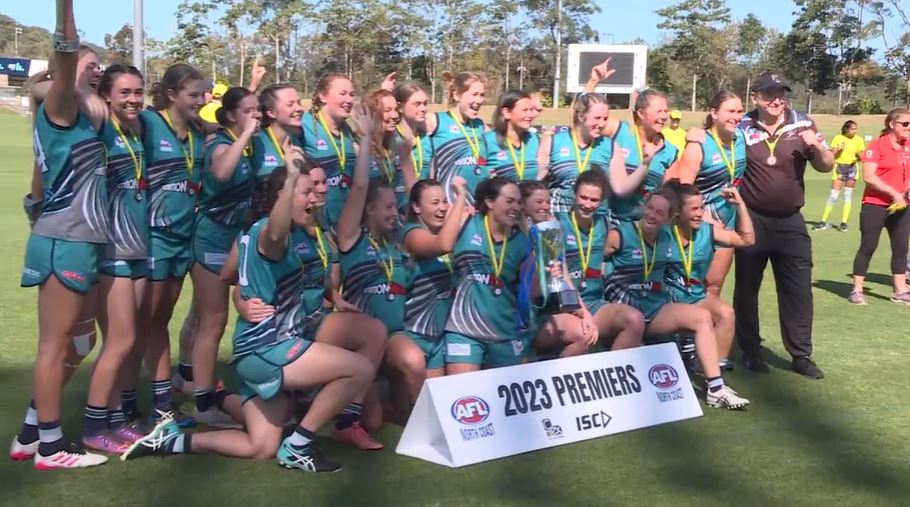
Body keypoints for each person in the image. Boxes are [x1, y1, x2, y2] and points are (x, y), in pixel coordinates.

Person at [122, 150, 378, 473]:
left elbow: (234, 275)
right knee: (359, 368)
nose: (314, 198)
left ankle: (172, 441)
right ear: (282, 198)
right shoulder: (271, 235)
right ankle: (300, 446)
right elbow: (273, 233)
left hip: (255, 350)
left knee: (261, 446)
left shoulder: (278, 232)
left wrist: (244, 299)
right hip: (269, 348)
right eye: (305, 193)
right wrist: (289, 178)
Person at [17, 0, 109, 468]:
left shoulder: (72, 112)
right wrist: (65, 8)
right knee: (55, 345)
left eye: (99, 67)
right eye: (90, 66)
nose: (96, 72)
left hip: (77, 237)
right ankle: (51, 448)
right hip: (65, 239)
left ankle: (31, 430)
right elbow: (65, 50)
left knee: (80, 341)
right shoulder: (60, 105)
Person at [603, 188, 749, 409]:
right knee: (635, 321)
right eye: (649, 208)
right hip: (622, 311)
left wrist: (737, 208)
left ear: (670, 218)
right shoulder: (620, 234)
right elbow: (590, 261)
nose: (652, 215)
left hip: (653, 310)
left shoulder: (667, 238)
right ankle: (607, 390)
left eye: (660, 212)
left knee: (702, 317)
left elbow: (743, 239)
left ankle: (716, 389)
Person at [732, 72, 833, 378]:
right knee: (746, 289)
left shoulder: (803, 123)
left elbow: (826, 165)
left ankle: (801, 355)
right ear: (755, 97)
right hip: (752, 220)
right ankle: (750, 350)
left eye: (781, 94)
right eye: (769, 94)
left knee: (798, 290)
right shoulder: (742, 125)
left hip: (790, 222)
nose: (776, 100)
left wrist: (815, 146)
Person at [78, 64, 151, 454]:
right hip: (112, 249)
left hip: (139, 248)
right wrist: (79, 71)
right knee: (119, 341)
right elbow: (70, 95)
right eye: (124, 92)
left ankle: (118, 419)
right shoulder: (100, 122)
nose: (133, 99)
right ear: (106, 95)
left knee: (129, 339)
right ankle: (93, 427)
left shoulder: (136, 129)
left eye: (138, 91)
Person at [187, 87, 262, 429]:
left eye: (257, 110)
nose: (256, 116)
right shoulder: (219, 144)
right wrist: (246, 132)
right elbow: (221, 173)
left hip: (235, 241)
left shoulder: (249, 143)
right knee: (213, 321)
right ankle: (203, 402)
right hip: (211, 241)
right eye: (248, 111)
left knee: (209, 317)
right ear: (231, 116)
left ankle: (189, 379)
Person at [139, 63, 207, 422]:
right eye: (192, 95)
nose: (200, 100)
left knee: (160, 320)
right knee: (145, 322)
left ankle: (161, 401)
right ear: (170, 95)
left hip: (183, 241)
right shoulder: (150, 124)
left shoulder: (197, 135)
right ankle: (140, 402)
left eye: (202, 94)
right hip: (151, 239)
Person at [392, 177, 469, 423]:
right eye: (435, 203)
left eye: (445, 201)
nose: (442, 208)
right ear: (416, 208)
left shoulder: (445, 230)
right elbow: (443, 245)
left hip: (436, 338)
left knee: (437, 417)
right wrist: (460, 196)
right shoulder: (411, 234)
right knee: (410, 418)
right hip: (411, 335)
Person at [664, 181, 755, 371]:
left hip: (695, 296)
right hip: (665, 301)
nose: (700, 213)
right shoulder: (662, 233)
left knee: (726, 313)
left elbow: (746, 239)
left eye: (702, 208)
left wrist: (741, 205)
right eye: (694, 209)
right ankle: (685, 351)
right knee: (700, 316)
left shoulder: (707, 230)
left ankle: (714, 370)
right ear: (678, 211)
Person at [444, 177, 532, 372]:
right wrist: (459, 192)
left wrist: (547, 272)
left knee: (516, 400)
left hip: (506, 332)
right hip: (463, 329)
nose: (516, 207)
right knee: (462, 396)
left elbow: (530, 291)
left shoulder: (523, 241)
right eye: (509, 201)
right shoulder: (465, 223)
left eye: (519, 202)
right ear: (489, 202)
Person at [555, 170, 645, 351]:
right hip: (562, 306)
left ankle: (615, 375)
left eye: (594, 200)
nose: (588, 204)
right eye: (583, 197)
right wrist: (581, 311)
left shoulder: (603, 224)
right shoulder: (556, 223)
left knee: (634, 320)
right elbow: (558, 278)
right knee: (584, 335)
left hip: (595, 304)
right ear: (574, 195)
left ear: (602, 200)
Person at [677, 91, 747, 298]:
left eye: (740, 111)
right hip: (698, 227)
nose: (736, 116)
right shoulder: (699, 144)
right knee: (690, 288)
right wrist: (705, 219)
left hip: (727, 224)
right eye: (730, 111)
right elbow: (682, 190)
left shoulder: (741, 138)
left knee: (714, 287)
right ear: (714, 113)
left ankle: (708, 330)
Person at [848, 109, 910, 305]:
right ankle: (857, 290)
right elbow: (869, 177)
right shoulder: (876, 146)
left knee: (900, 247)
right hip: (875, 205)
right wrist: (894, 193)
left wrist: (906, 191)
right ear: (892, 124)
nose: (909, 128)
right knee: (868, 246)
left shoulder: (908, 146)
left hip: (902, 206)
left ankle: (899, 290)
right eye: (905, 124)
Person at [609, 89, 679, 223]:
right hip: (608, 220)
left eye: (666, 111)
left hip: (644, 225)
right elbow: (584, 116)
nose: (665, 117)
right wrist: (592, 82)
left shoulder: (670, 152)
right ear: (641, 113)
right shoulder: (618, 131)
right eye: (659, 111)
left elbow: (671, 196)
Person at [537, 93, 613, 215]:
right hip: (560, 213)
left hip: (596, 215)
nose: (602, 124)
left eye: (605, 118)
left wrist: (645, 165)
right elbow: (535, 179)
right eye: (597, 118)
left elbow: (621, 188)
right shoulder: (553, 142)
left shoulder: (610, 146)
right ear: (581, 116)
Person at [302, 73, 357, 229]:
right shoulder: (304, 125)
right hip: (316, 225)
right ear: (322, 97)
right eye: (343, 94)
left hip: (346, 223)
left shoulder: (349, 131)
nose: (349, 100)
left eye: (352, 95)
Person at [431, 71, 489, 204]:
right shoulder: (436, 121)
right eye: (474, 95)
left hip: (478, 208)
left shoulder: (481, 126)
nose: (479, 100)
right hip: (450, 208)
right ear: (457, 95)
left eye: (482, 95)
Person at [815, 120, 866, 232]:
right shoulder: (838, 138)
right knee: (833, 196)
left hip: (852, 168)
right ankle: (823, 221)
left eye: (855, 129)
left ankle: (844, 222)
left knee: (847, 195)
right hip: (839, 167)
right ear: (846, 129)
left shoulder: (859, 140)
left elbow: (863, 157)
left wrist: (859, 154)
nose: (854, 131)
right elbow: (831, 155)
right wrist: (838, 150)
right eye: (852, 129)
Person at [484, 91, 539, 183]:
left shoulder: (534, 140)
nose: (530, 115)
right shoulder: (487, 141)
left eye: (531, 110)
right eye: (525, 110)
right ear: (506, 112)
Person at [394, 81, 435, 181]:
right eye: (417, 104)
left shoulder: (427, 139)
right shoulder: (390, 138)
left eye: (425, 104)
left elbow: (431, 176)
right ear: (400, 107)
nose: (423, 108)